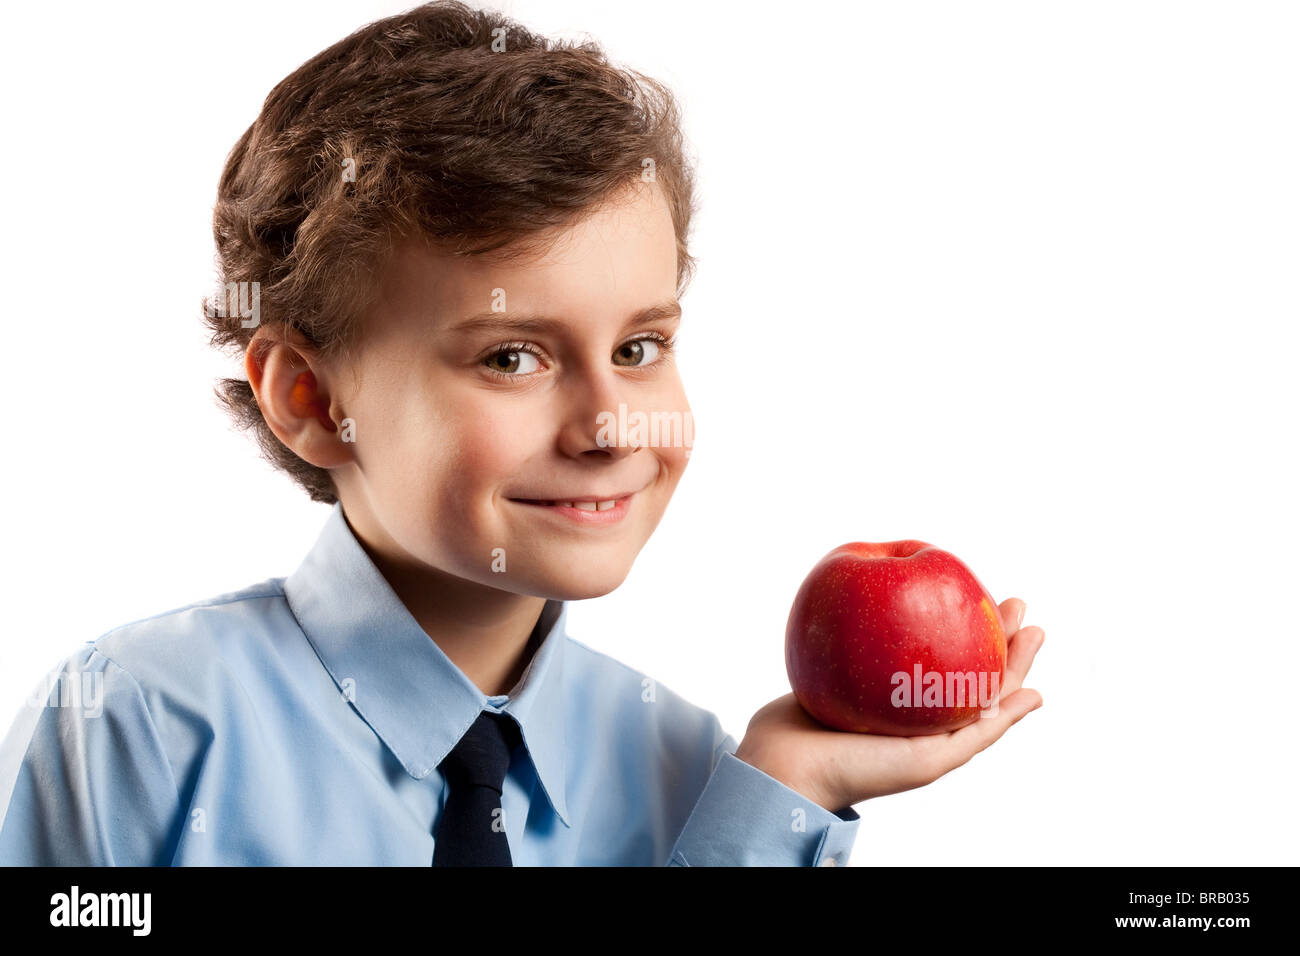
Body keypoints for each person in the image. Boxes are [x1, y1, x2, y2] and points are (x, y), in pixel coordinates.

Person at [0, 0, 1043, 866]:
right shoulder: (137, 726)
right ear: (311, 399)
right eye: (512, 357)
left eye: (638, 347)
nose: (609, 423)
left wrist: (785, 788)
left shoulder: (698, 774)